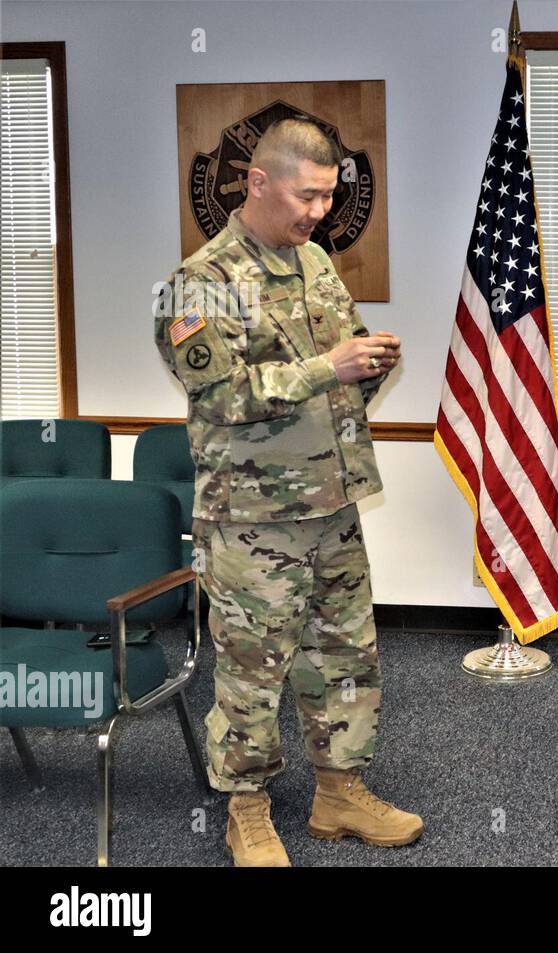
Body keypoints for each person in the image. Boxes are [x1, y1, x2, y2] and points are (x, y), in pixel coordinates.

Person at [154, 118, 422, 866]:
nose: (317, 213)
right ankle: (246, 807)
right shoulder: (199, 283)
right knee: (252, 669)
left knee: (344, 656)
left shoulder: (314, 264)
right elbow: (221, 397)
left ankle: (340, 791)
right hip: (251, 518)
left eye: (329, 199)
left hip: (330, 501)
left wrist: (366, 366)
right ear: (258, 182)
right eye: (306, 196)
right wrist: (326, 369)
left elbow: (335, 375)